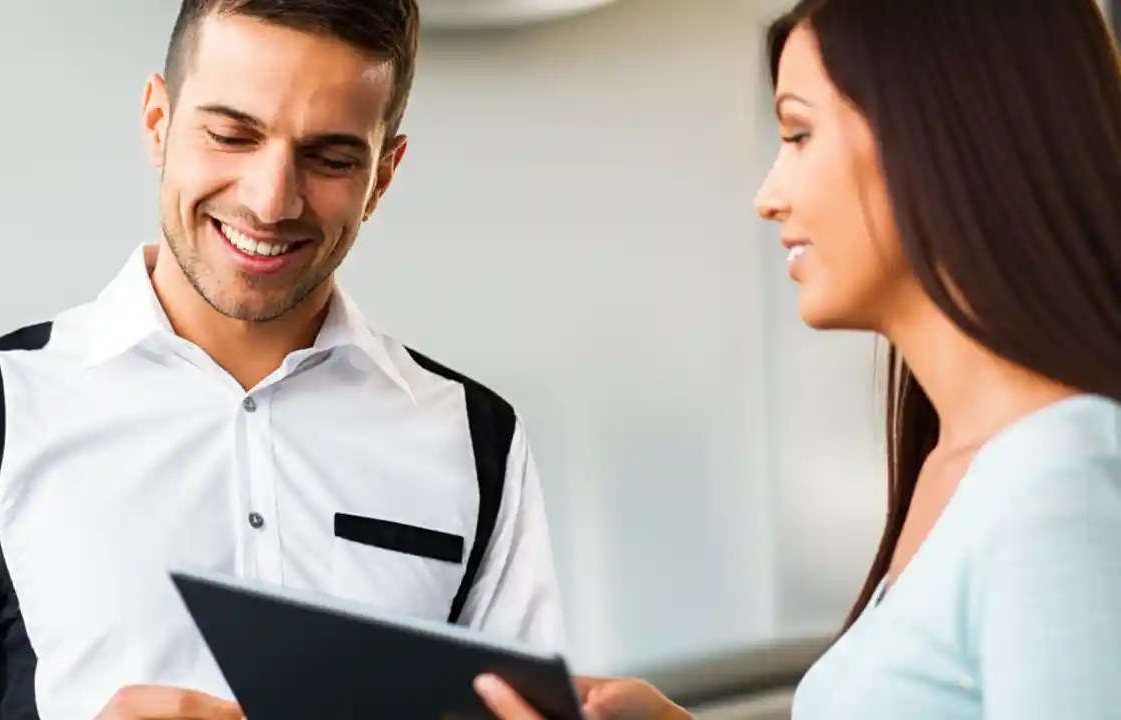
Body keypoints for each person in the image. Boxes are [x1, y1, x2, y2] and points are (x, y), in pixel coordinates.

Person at [0, 1, 565, 718]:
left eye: (331, 158)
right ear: (158, 120)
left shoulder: (477, 441)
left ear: (383, 175)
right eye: (230, 135)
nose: (271, 200)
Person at [474, 0, 1121, 718]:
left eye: (799, 134)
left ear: (937, 134)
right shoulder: (964, 466)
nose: (768, 197)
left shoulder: (1063, 481)